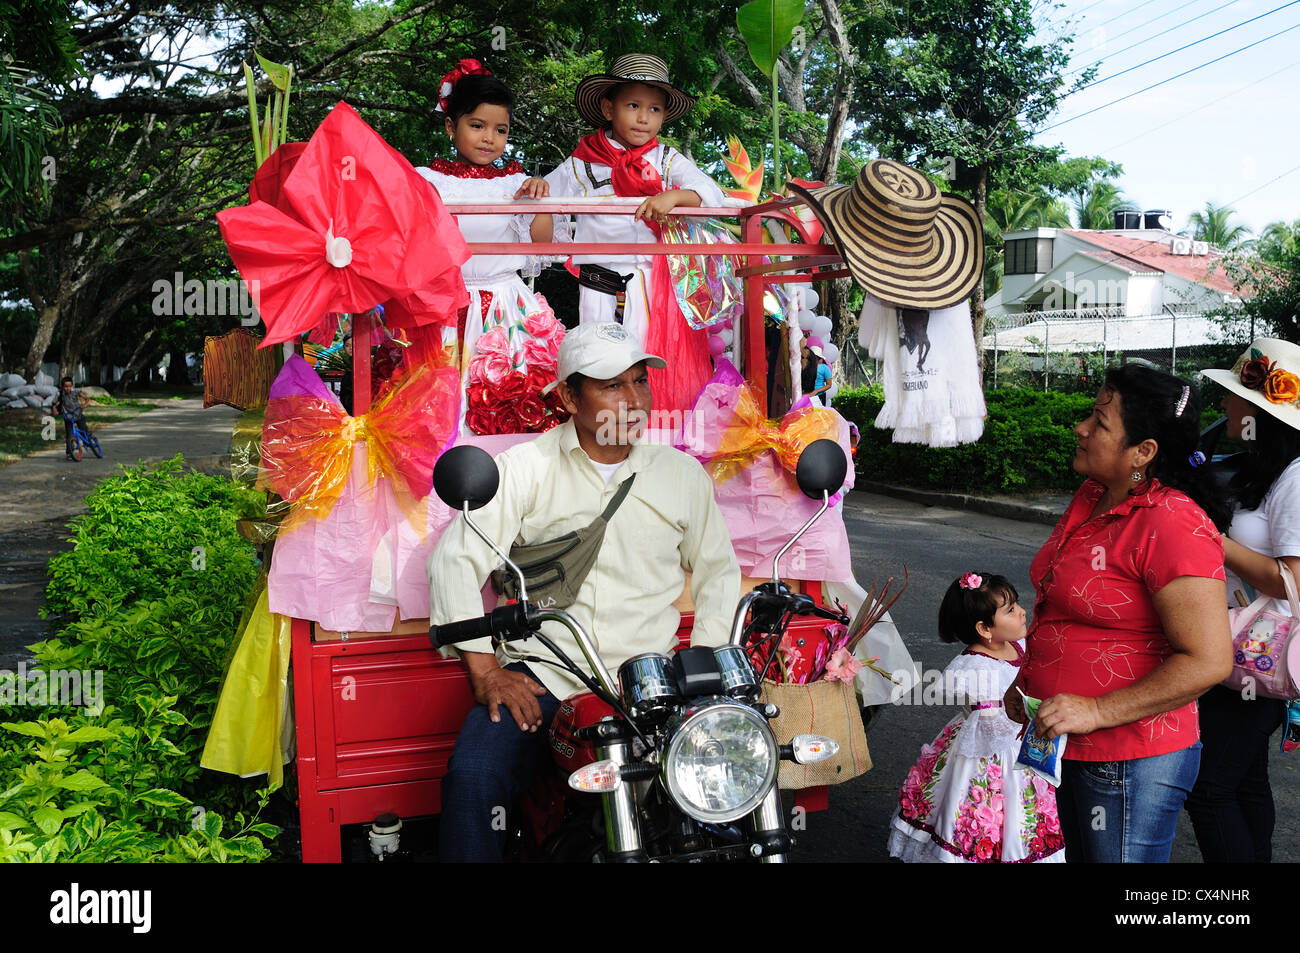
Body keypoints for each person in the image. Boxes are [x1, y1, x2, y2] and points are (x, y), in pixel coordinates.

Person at [427, 321, 741, 862]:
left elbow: (719, 572)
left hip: (649, 685)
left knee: (728, 792)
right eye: (612, 385)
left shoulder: (681, 476)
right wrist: (485, 671)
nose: (634, 400)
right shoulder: (525, 469)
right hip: (545, 679)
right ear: (570, 396)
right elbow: (456, 560)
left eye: (640, 382)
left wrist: (700, 669)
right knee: (473, 779)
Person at [1005, 363, 1233, 863]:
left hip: (1132, 759)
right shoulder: (1094, 495)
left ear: (1144, 452)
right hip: (1073, 746)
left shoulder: (1172, 522)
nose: (1081, 428)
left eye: (1100, 422)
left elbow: (1210, 660)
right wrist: (1028, 680)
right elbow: (1062, 607)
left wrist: (1097, 710)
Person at [544, 53, 726, 414]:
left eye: (655, 109)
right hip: (599, 282)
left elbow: (712, 193)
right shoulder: (581, 162)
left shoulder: (667, 160)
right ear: (608, 108)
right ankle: (603, 441)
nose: (644, 118)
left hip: (654, 286)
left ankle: (655, 443)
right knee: (602, 362)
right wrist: (534, 186)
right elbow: (545, 199)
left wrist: (674, 196)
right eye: (633, 105)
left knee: (652, 363)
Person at [1185, 338, 1300, 863]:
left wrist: (1211, 537)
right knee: (1245, 779)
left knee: (1209, 789)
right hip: (1235, 651)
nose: (1226, 404)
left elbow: (1291, 581)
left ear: (1260, 410)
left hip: (1261, 655)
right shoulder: (1262, 466)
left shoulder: (1298, 478)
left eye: (1234, 395)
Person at [415, 59, 558, 435]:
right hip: (443, 303)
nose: (488, 138)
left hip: (505, 304)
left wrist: (539, 201)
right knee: (436, 403)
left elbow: (541, 243)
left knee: (510, 396)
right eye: (476, 126)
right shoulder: (424, 181)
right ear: (451, 126)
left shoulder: (519, 182)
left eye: (500, 129)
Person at [889, 571, 1065, 863]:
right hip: (992, 756)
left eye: (1017, 604)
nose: (1022, 612)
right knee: (990, 812)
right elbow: (991, 727)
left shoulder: (1018, 646)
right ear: (984, 629)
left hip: (1023, 741)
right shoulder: (974, 669)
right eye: (1010, 610)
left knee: (1027, 815)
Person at [54, 377, 90, 463]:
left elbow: (86, 399)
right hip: (68, 417)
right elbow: (54, 404)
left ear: (72, 386)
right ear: (62, 386)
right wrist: (54, 410)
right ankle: (69, 452)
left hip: (78, 415)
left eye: (70, 386)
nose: (68, 388)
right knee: (69, 435)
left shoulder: (76, 392)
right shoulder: (60, 394)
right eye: (66, 386)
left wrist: (84, 404)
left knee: (83, 429)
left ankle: (86, 440)